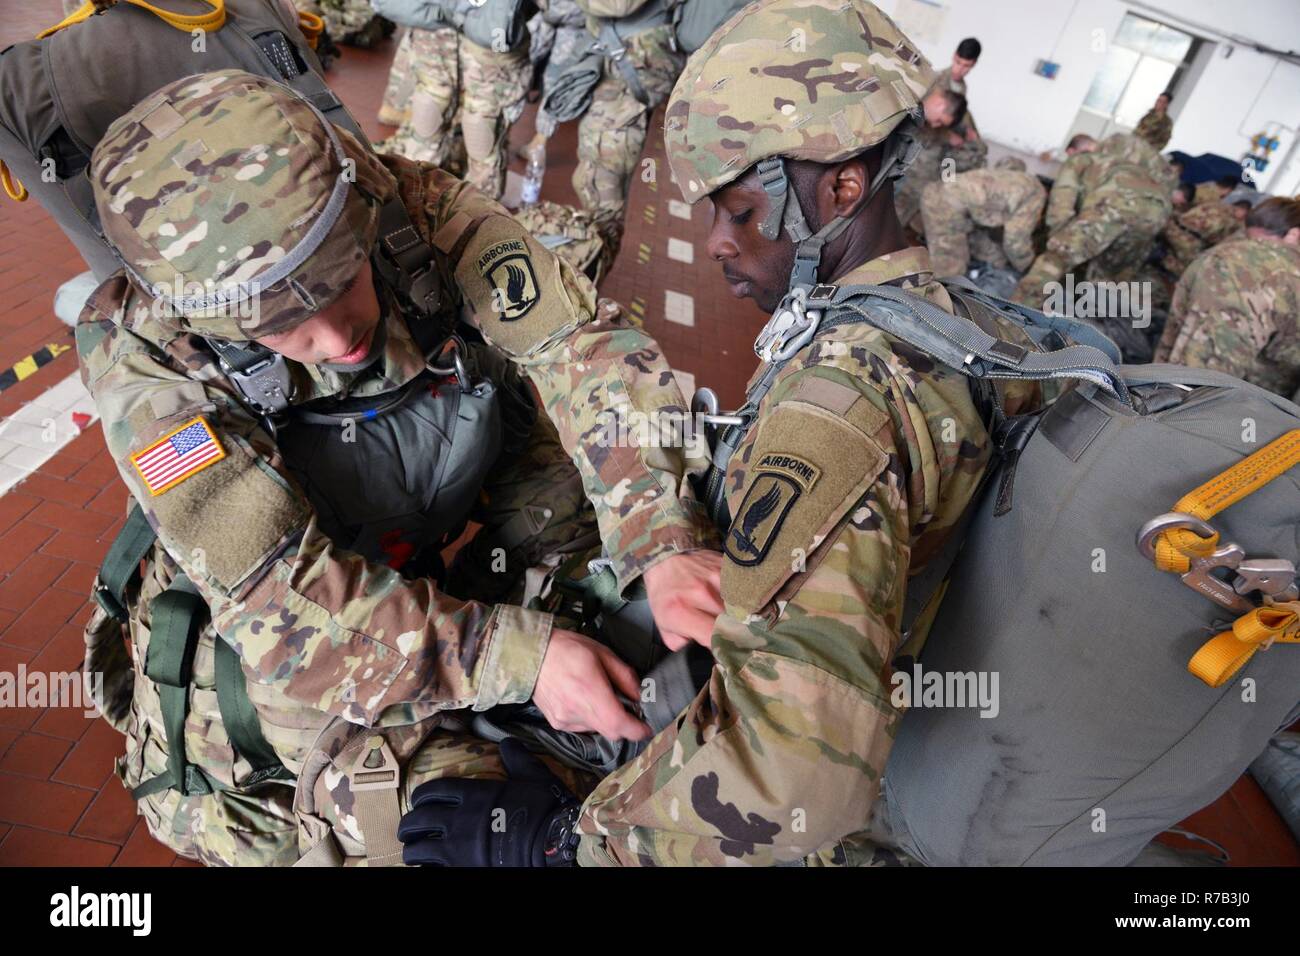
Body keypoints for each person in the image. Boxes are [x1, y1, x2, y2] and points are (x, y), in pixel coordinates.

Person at [397, 0, 1047, 867]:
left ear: (844, 187)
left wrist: (560, 849)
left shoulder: (835, 406)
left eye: (738, 212)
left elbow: (799, 779)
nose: (714, 243)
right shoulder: (955, 320)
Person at [76, 69, 723, 865]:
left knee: (563, 480)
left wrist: (660, 535)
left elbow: (577, 347)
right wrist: (518, 659)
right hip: (272, 652)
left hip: (396, 549)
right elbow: (281, 608)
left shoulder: (409, 203)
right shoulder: (146, 357)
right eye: (284, 325)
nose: (340, 334)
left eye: (343, 278)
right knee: (450, 820)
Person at [1154, 196, 1300, 398]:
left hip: (1216, 412)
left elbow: (1198, 379)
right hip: (1263, 415)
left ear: (1293, 235)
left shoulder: (1241, 264)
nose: (1256, 248)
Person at [1013, 131, 1172, 306]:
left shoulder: (1078, 161)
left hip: (1119, 201)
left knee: (1056, 257)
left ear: (1076, 151)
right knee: (1107, 275)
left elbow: (1061, 205)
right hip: (1159, 210)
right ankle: (1084, 322)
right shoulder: (1120, 161)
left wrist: (1060, 241)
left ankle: (1012, 319)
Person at [378, 24, 532, 200]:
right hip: (477, 25)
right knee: (439, 108)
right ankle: (421, 196)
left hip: (479, 25)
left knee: (474, 122)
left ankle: (472, 208)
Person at [921, 159, 1047, 277]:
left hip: (939, 190)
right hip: (947, 205)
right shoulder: (1037, 194)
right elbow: (1015, 239)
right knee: (950, 275)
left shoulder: (1015, 178)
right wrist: (1028, 267)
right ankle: (922, 299)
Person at [1159, 186, 1258, 278]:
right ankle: (1163, 259)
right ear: (1242, 210)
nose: (1243, 218)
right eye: (1245, 215)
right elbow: (1218, 245)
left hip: (1170, 227)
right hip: (1187, 241)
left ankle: (1157, 253)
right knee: (1191, 272)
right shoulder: (1232, 222)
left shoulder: (1214, 203)